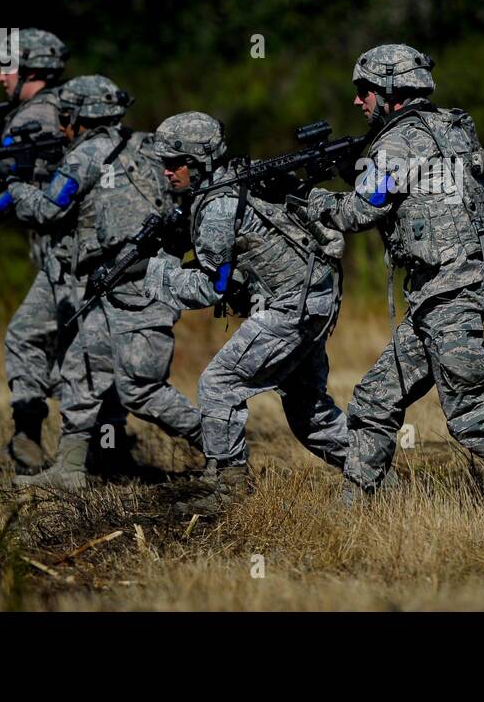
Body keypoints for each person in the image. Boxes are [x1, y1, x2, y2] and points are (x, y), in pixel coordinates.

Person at [301, 44, 484, 543]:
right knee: (375, 397)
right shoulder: (452, 127)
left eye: (364, 91)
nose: (358, 101)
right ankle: (351, 513)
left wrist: (315, 200)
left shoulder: (398, 143)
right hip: (447, 290)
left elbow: (360, 213)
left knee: (469, 411)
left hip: (449, 295)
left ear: (390, 91)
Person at [0, 75, 205, 490]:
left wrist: (10, 183)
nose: (61, 125)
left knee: (141, 389)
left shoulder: (85, 156)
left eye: (65, 117)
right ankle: (71, 468)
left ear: (79, 118)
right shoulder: (149, 146)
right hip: (126, 281)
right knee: (80, 367)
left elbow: (45, 211)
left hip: (136, 287)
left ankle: (222, 446)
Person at [143, 112, 349, 511]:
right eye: (164, 164)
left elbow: (214, 285)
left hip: (292, 307)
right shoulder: (232, 179)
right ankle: (374, 474)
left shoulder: (218, 206)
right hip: (312, 299)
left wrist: (160, 269)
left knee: (220, 384)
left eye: (175, 163)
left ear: (201, 161)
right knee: (308, 412)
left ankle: (229, 489)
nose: (167, 172)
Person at [0, 28, 71, 474]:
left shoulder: (36, 118)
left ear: (31, 70)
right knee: (76, 354)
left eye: (7, 67)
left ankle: (27, 443)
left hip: (66, 257)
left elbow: (12, 194)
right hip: (66, 255)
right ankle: (98, 447)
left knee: (27, 336)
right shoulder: (59, 109)